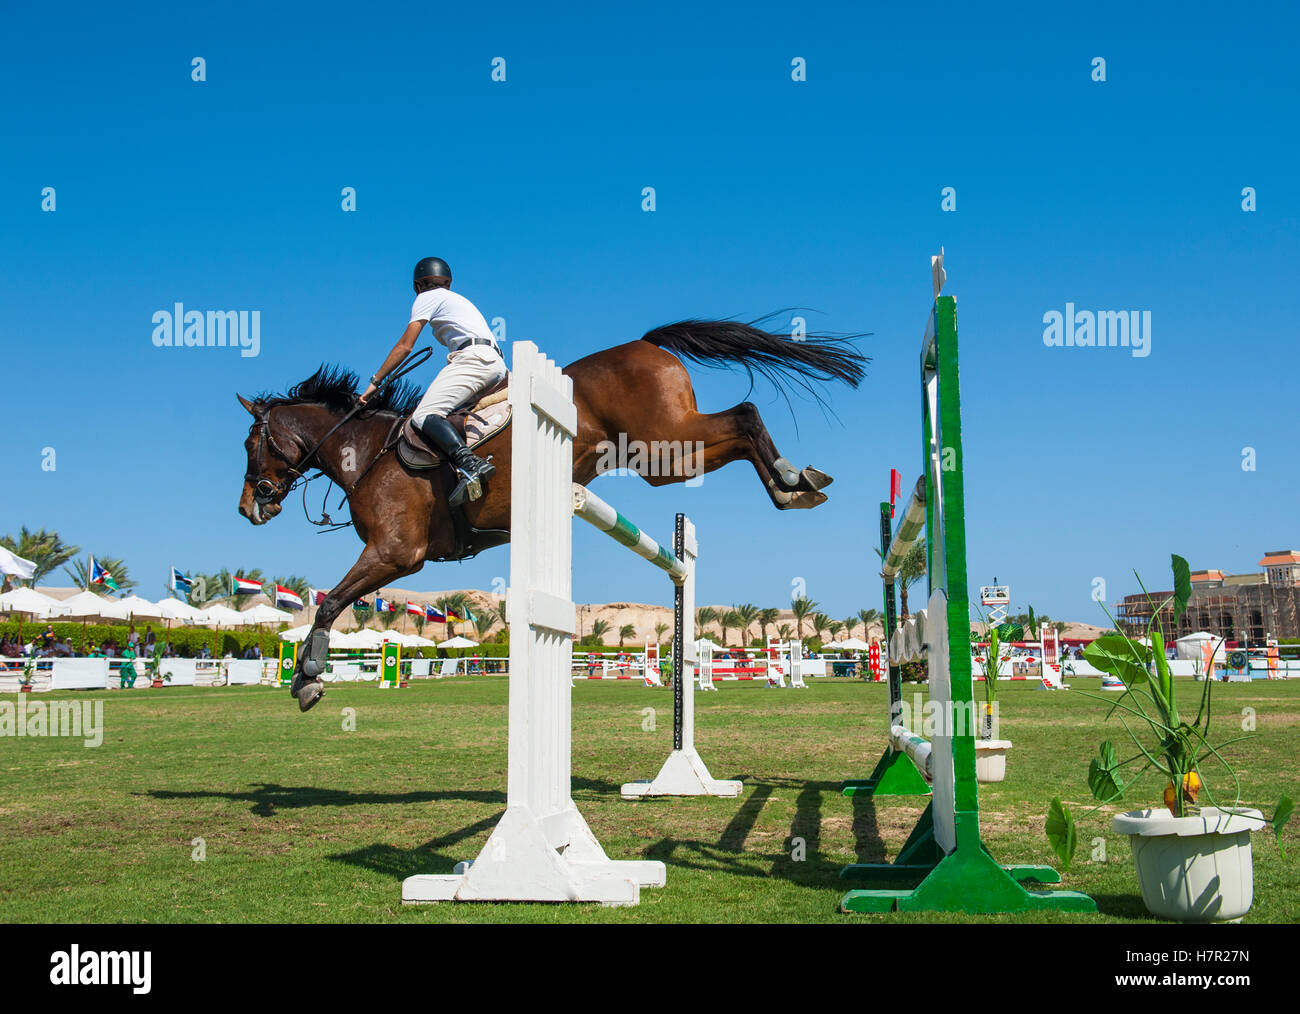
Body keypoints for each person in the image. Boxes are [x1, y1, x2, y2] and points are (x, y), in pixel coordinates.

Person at [358, 257, 506, 507]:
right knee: (454, 416)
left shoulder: (426, 297)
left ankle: (471, 465)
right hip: (496, 366)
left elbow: (405, 346)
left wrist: (375, 383)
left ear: (418, 285)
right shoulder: (456, 299)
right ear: (447, 281)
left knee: (424, 415)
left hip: (474, 359)